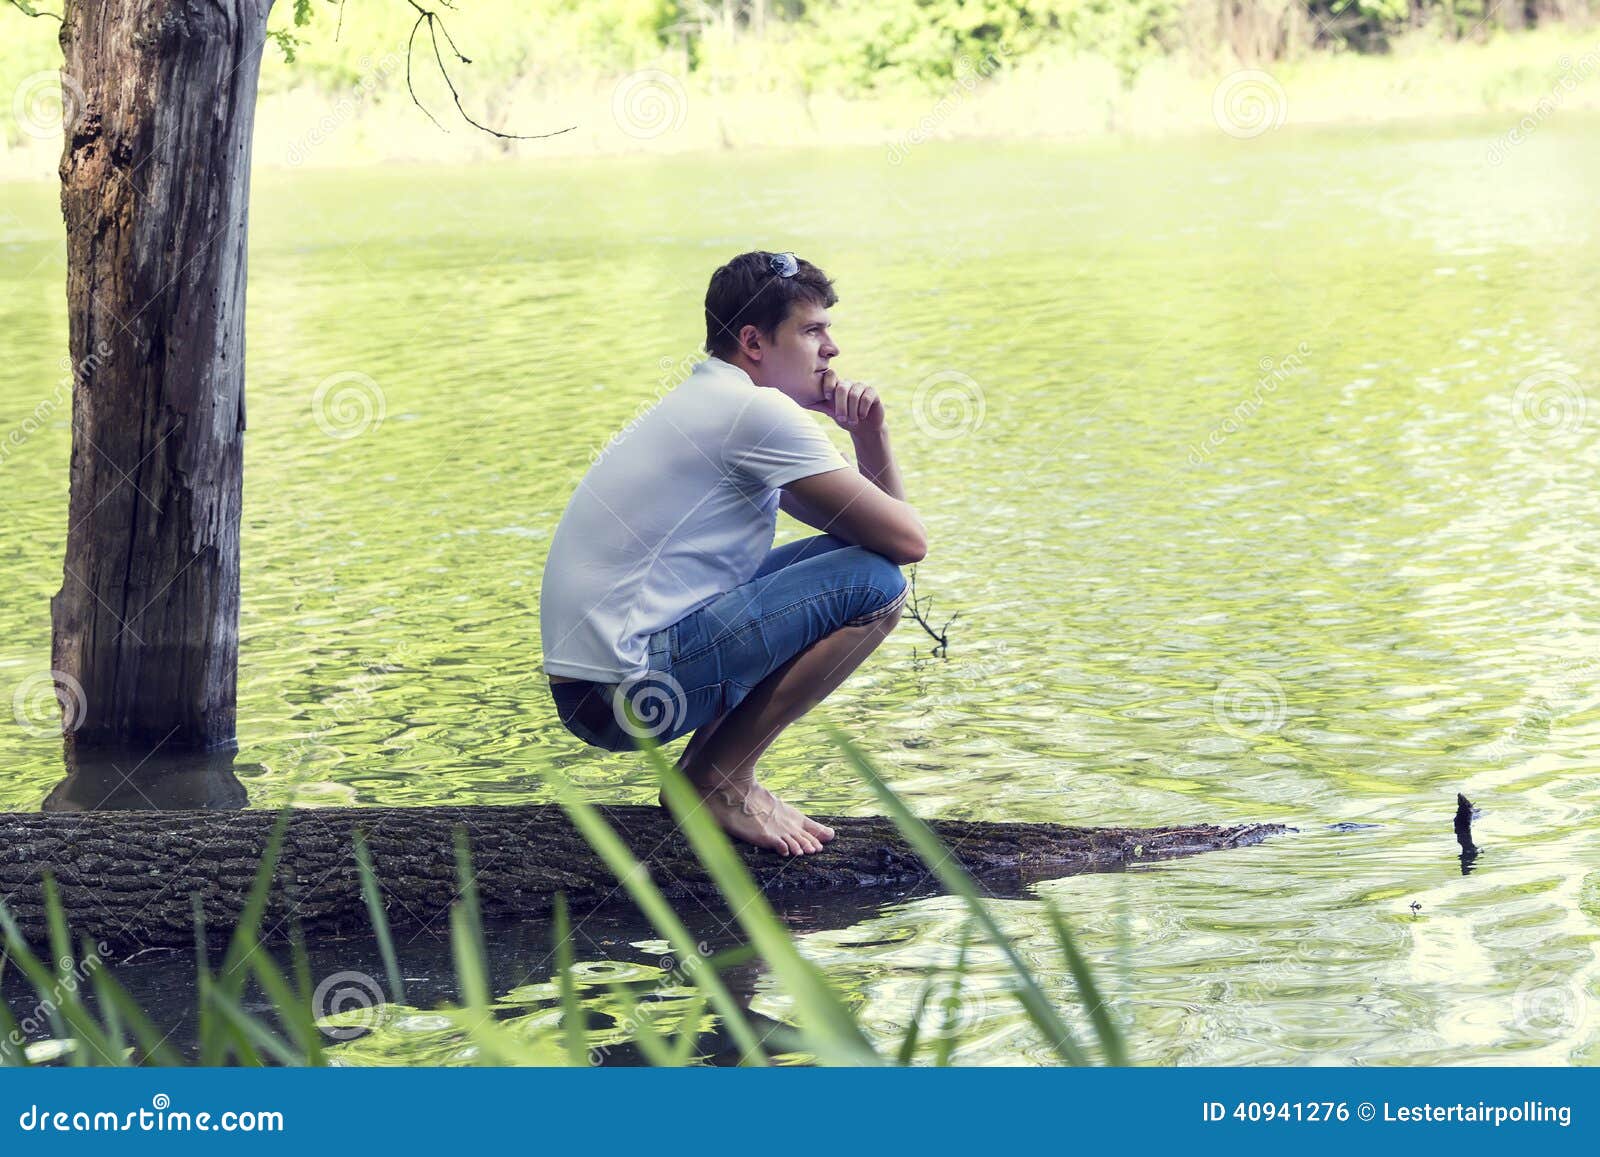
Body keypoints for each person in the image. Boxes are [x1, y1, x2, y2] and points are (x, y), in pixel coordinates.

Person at [539, 250, 928, 856]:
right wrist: (873, 435)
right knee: (874, 586)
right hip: (626, 694)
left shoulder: (714, 403)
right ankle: (720, 778)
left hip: (599, 691)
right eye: (812, 330)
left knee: (850, 563)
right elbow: (906, 545)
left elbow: (878, 535)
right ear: (753, 340)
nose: (832, 349)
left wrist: (865, 434)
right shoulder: (755, 413)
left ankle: (713, 775)